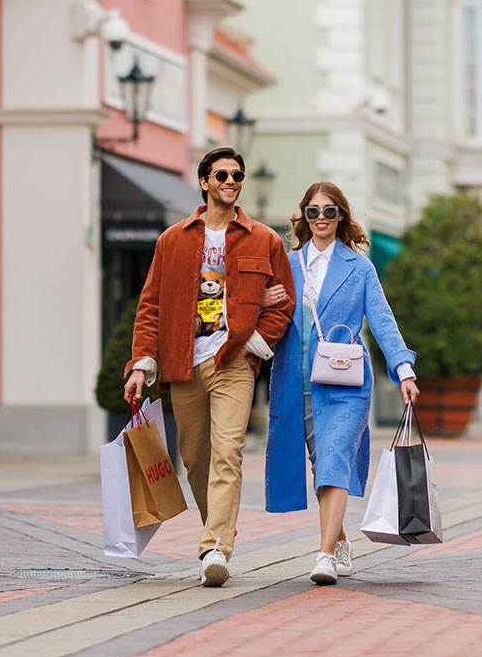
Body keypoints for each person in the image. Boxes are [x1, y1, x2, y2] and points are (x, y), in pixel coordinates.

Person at [123, 147, 295, 587]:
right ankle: (218, 526)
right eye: (222, 175)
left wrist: (255, 345)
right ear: (204, 181)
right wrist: (142, 364)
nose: (231, 181)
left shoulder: (264, 240)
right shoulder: (173, 240)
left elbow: (285, 302)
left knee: (227, 453)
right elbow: (151, 306)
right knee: (195, 460)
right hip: (184, 362)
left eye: (238, 175)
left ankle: (215, 545)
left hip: (234, 361)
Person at [261, 182, 418, 586]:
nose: (321, 220)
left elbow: (382, 320)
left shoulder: (360, 266)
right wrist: (262, 302)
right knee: (319, 466)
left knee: (333, 459)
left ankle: (325, 554)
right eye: (313, 212)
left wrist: (403, 370)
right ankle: (340, 537)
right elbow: (265, 313)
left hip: (347, 384)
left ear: (341, 217)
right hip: (297, 384)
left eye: (329, 212)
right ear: (304, 217)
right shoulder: (289, 264)